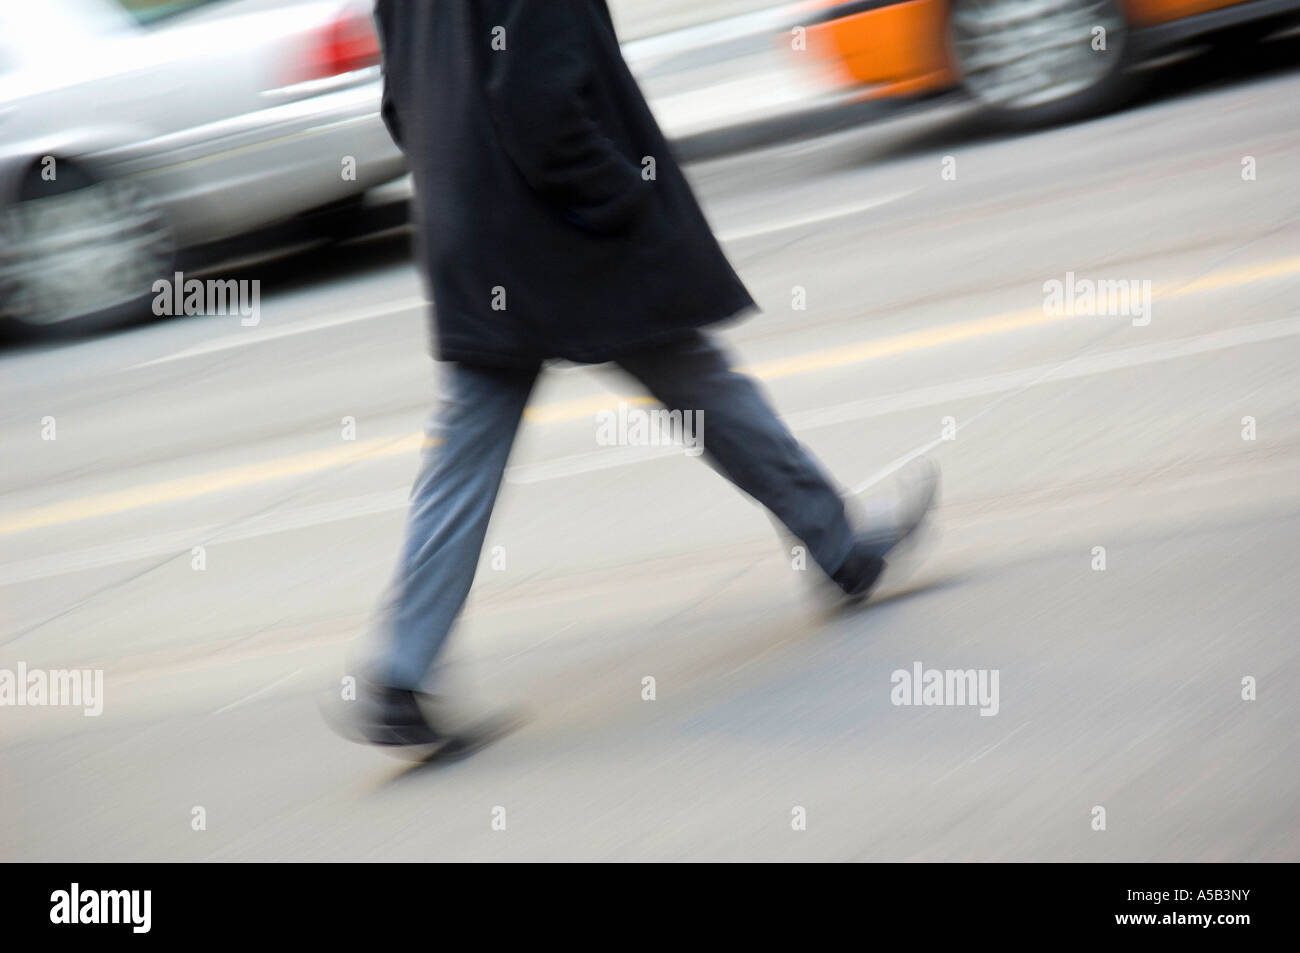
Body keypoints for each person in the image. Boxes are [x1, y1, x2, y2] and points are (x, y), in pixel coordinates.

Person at [352, 0, 938, 747]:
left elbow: (399, 102)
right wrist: (619, 193)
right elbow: (539, 103)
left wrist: (466, 180)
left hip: (471, 221)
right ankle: (839, 548)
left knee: (480, 442)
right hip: (561, 227)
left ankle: (399, 675)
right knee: (695, 377)